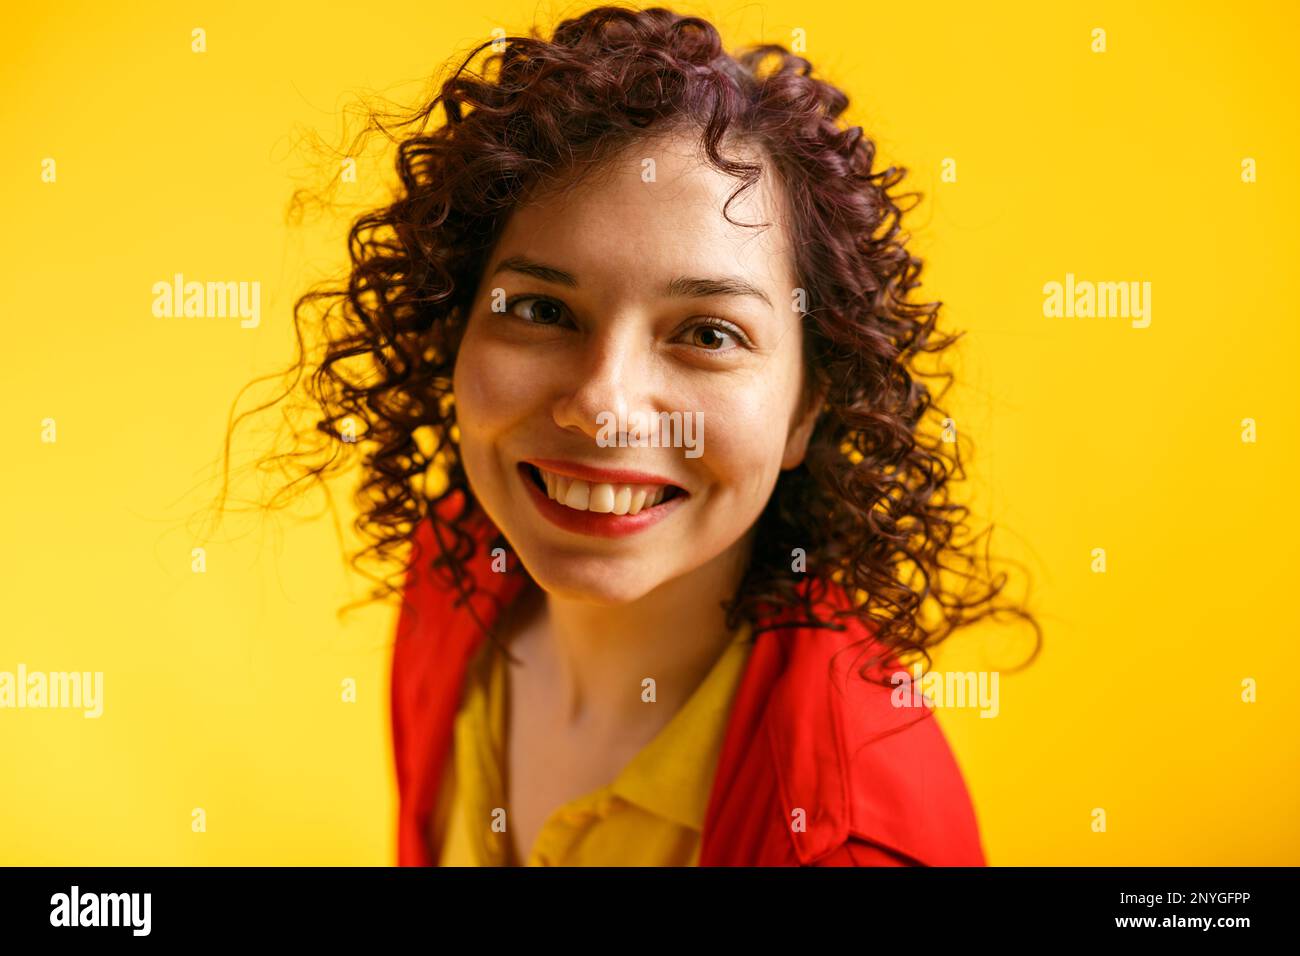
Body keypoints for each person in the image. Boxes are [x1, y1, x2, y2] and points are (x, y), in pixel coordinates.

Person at [240, 4, 1038, 866]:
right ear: (453, 327)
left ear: (809, 405)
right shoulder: (457, 569)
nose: (603, 406)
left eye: (707, 333)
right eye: (543, 310)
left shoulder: (851, 844)